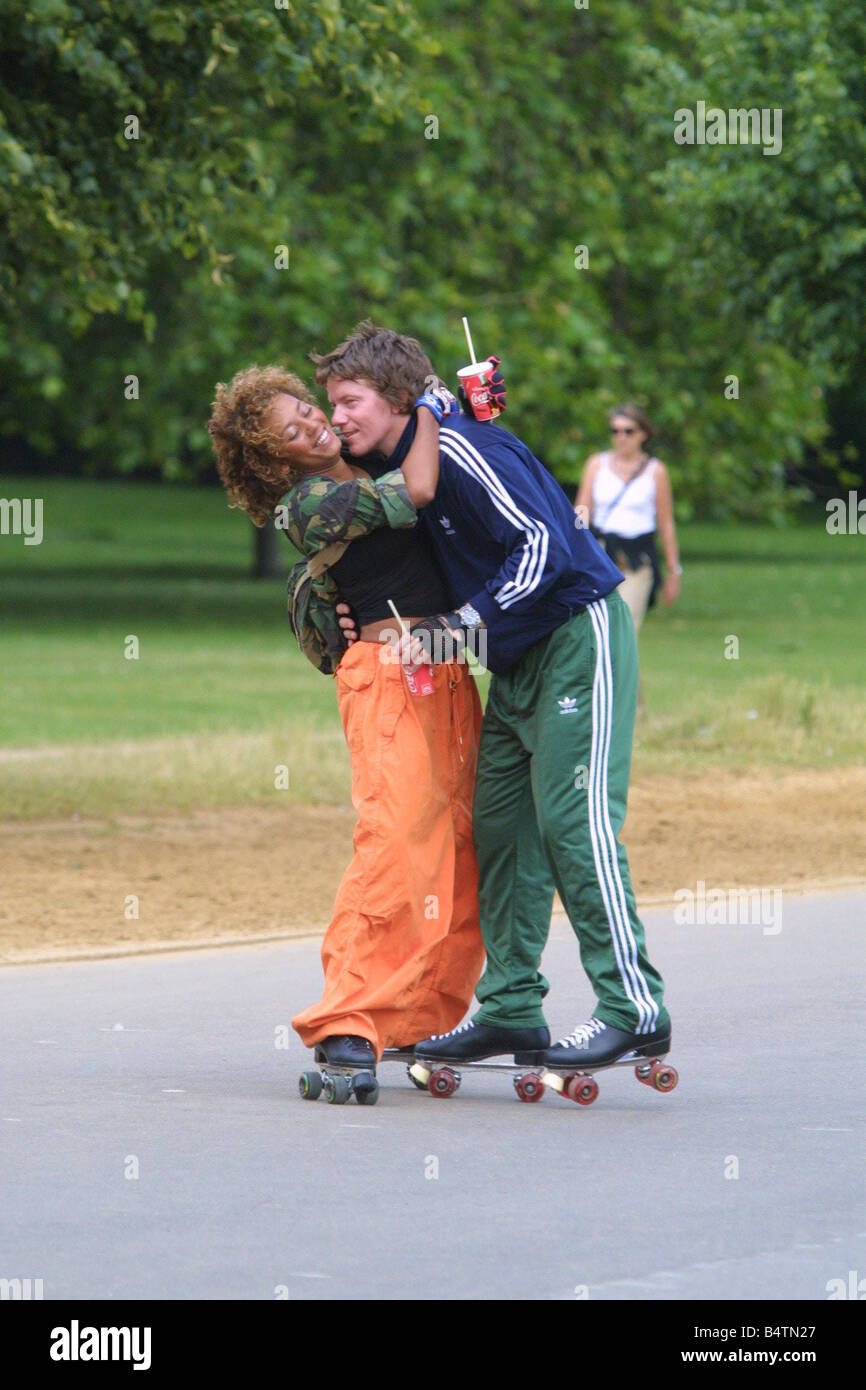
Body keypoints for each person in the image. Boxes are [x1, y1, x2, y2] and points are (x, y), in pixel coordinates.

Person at [313, 323, 671, 1072]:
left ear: (396, 398)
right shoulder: (421, 448)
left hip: (577, 634)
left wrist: (459, 625)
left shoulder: (463, 447)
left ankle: (634, 1007)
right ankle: (512, 1007)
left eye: (349, 401)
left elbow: (542, 543)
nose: (337, 417)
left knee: (573, 822)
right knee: (502, 828)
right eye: (331, 404)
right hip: (513, 661)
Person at [207, 364, 485, 1074]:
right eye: (290, 431)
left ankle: (418, 1013)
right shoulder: (306, 504)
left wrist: (471, 407)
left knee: (458, 845)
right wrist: (428, 404)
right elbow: (417, 489)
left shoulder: (367, 457)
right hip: (387, 678)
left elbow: (442, 470)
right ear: (275, 460)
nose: (310, 422)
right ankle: (347, 1019)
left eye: (305, 407)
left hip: (448, 672)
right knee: (393, 842)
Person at [576, 404, 681, 636]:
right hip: (602, 555)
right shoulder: (596, 464)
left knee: (625, 628)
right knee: (597, 627)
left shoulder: (656, 471)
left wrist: (674, 571)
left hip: (637, 558)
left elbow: (666, 524)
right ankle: (614, 672)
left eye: (628, 431)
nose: (621, 437)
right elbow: (582, 510)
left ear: (643, 434)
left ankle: (622, 671)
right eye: (615, 431)